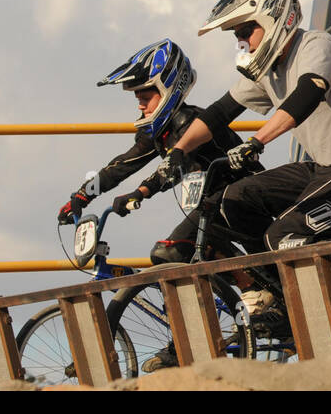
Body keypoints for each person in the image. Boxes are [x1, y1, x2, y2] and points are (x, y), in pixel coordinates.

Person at [157, 0, 331, 265]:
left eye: (246, 31)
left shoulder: (317, 46)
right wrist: (178, 151)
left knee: (283, 235)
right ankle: (277, 295)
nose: (242, 43)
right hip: (325, 168)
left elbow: (307, 95)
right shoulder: (267, 70)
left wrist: (256, 142)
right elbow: (220, 112)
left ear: (273, 19)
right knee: (232, 202)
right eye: (237, 36)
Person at [56, 39, 257, 265]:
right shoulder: (160, 129)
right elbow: (124, 164)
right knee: (175, 253)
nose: (140, 106)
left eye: (145, 98)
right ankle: (245, 292)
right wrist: (83, 195)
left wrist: (141, 192)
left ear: (167, 90)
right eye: (138, 99)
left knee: (170, 251)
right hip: (212, 205)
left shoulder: (188, 121)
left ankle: (250, 291)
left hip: (242, 196)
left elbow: (177, 168)